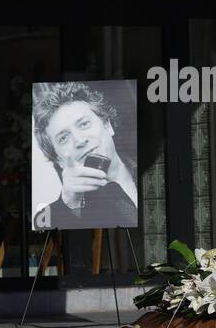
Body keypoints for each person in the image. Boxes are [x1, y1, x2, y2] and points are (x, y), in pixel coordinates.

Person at [32, 81, 138, 229]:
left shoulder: (154, 167)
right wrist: (71, 204)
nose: (79, 141)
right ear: (58, 159)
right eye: (63, 138)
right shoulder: (47, 217)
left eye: (84, 124)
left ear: (108, 125)